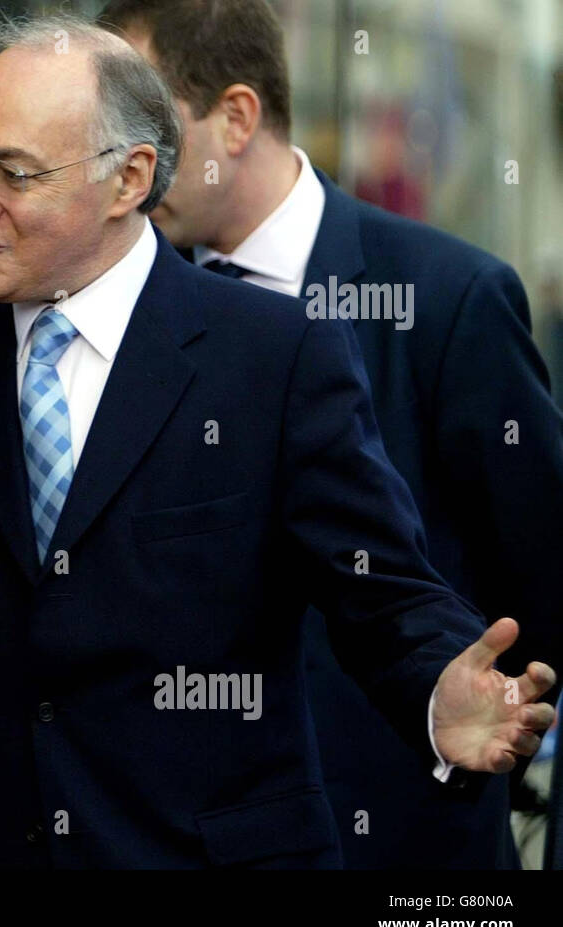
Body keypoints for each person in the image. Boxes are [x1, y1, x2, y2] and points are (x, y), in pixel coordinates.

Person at [0, 15, 554, 869]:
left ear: (129, 178)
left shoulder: (274, 353)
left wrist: (440, 694)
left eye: (14, 173)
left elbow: (381, 592)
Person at [100, 0, 563, 868]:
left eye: (149, 128)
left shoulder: (447, 298)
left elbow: (541, 571)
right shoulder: (127, 307)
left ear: (236, 117)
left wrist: (467, 729)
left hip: (406, 844)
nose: (128, 167)